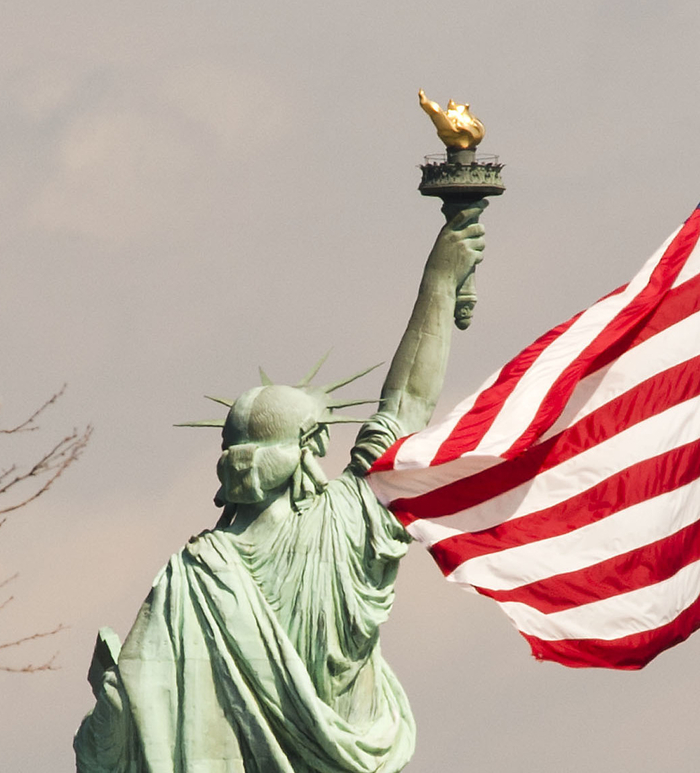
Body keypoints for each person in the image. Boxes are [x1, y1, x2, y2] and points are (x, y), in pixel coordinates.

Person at [74, 202, 486, 773]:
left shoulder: (194, 577)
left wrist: (113, 697)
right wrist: (440, 281)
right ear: (311, 450)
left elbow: (122, 719)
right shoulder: (346, 528)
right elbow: (407, 405)